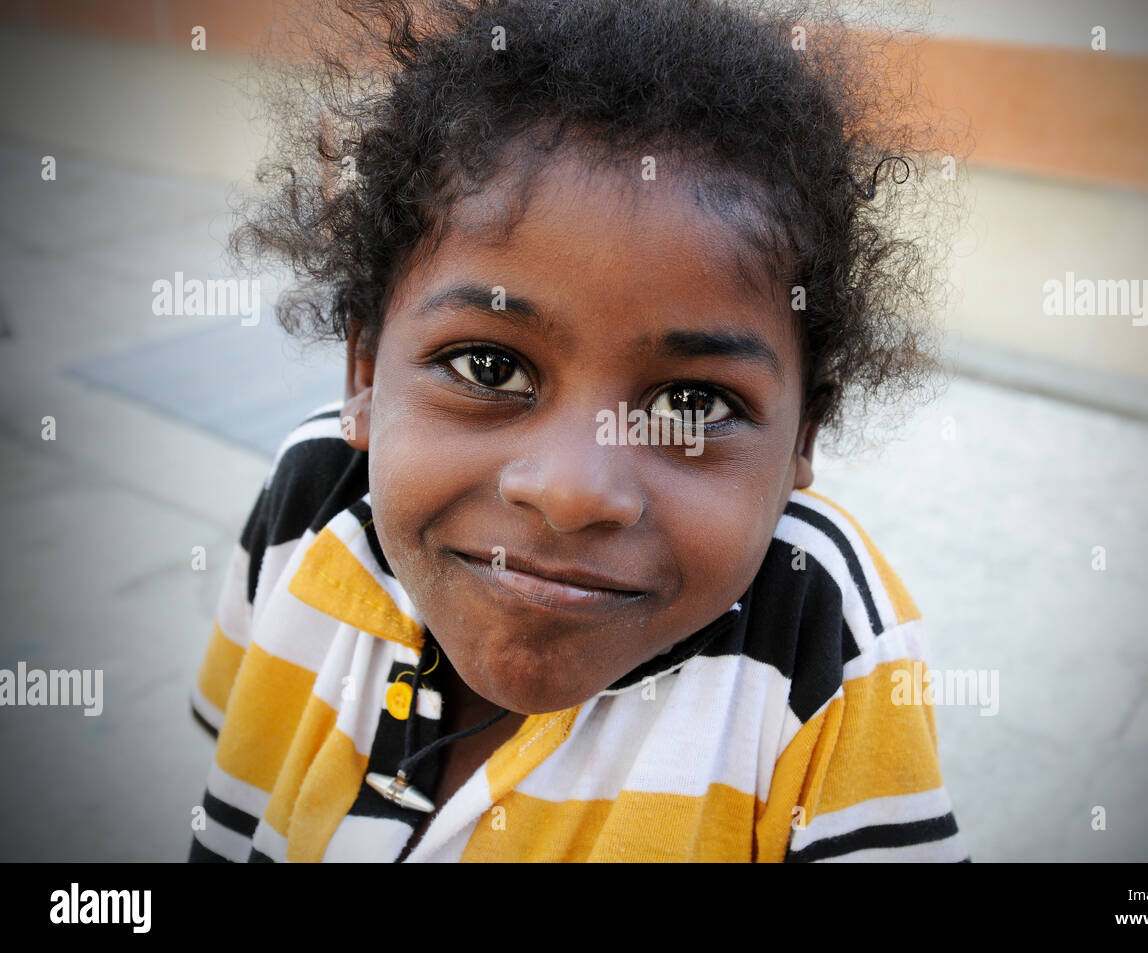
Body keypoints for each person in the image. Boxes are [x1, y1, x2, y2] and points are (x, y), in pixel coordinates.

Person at [188, 0, 968, 862]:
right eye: (489, 367)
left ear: (801, 439)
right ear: (365, 372)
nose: (572, 491)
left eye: (691, 407)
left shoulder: (824, 641)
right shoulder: (311, 504)